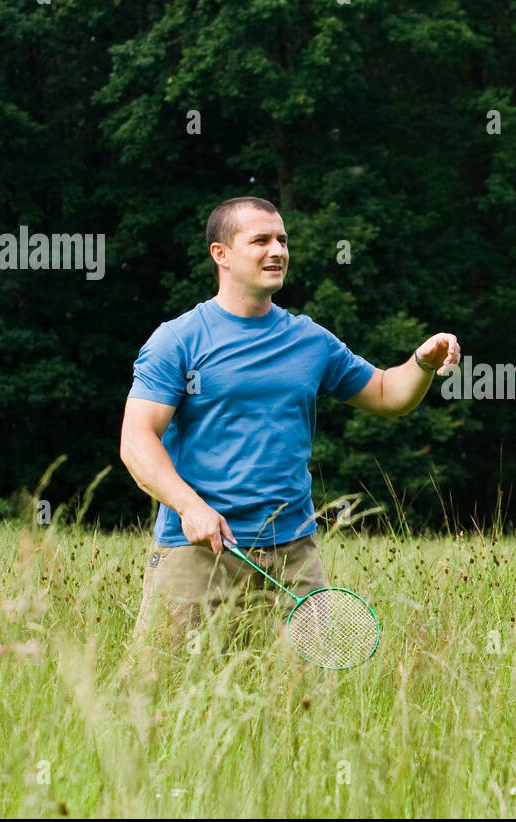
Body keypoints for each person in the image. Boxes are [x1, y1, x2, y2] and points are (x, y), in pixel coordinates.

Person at [119, 196, 459, 653]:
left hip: (293, 555)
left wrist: (420, 362)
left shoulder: (309, 340)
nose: (277, 250)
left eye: (282, 239)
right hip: (196, 551)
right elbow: (137, 439)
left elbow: (385, 394)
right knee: (160, 696)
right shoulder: (179, 340)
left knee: (300, 706)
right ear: (221, 253)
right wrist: (189, 507)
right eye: (260, 240)